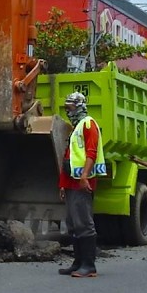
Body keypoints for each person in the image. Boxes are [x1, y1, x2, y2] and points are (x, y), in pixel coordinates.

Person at [57, 91, 107, 278]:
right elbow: (68, 158)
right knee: (72, 222)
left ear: (79, 106)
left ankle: (89, 265)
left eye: (70, 108)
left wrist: (85, 176)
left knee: (84, 222)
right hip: (71, 181)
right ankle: (78, 262)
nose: (68, 112)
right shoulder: (76, 127)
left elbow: (91, 153)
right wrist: (63, 184)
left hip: (81, 181)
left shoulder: (88, 124)